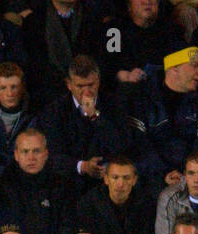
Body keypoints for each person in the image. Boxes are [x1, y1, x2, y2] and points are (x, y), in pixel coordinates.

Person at [122, 46, 198, 185]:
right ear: (174, 68)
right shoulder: (143, 97)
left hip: (192, 179)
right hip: (151, 180)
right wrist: (163, 174)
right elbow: (139, 145)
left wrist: (187, 174)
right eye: (194, 66)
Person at [36, 55, 129, 191]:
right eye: (80, 86)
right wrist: (83, 166)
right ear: (69, 84)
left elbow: (121, 145)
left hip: (108, 182)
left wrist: (95, 116)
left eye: (91, 85)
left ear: (98, 81)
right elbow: (52, 156)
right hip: (68, 182)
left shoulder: (115, 104)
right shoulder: (54, 112)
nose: (87, 92)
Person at [0, 128, 76, 234]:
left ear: (46, 154)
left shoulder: (62, 184)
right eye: (25, 151)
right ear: (16, 155)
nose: (31, 157)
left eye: (36, 151)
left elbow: (69, 223)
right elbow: (4, 225)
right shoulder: (3, 186)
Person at [76, 156, 154, 234]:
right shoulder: (89, 203)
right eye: (115, 177)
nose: (120, 183)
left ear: (134, 180)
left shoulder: (146, 202)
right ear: (106, 179)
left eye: (126, 178)